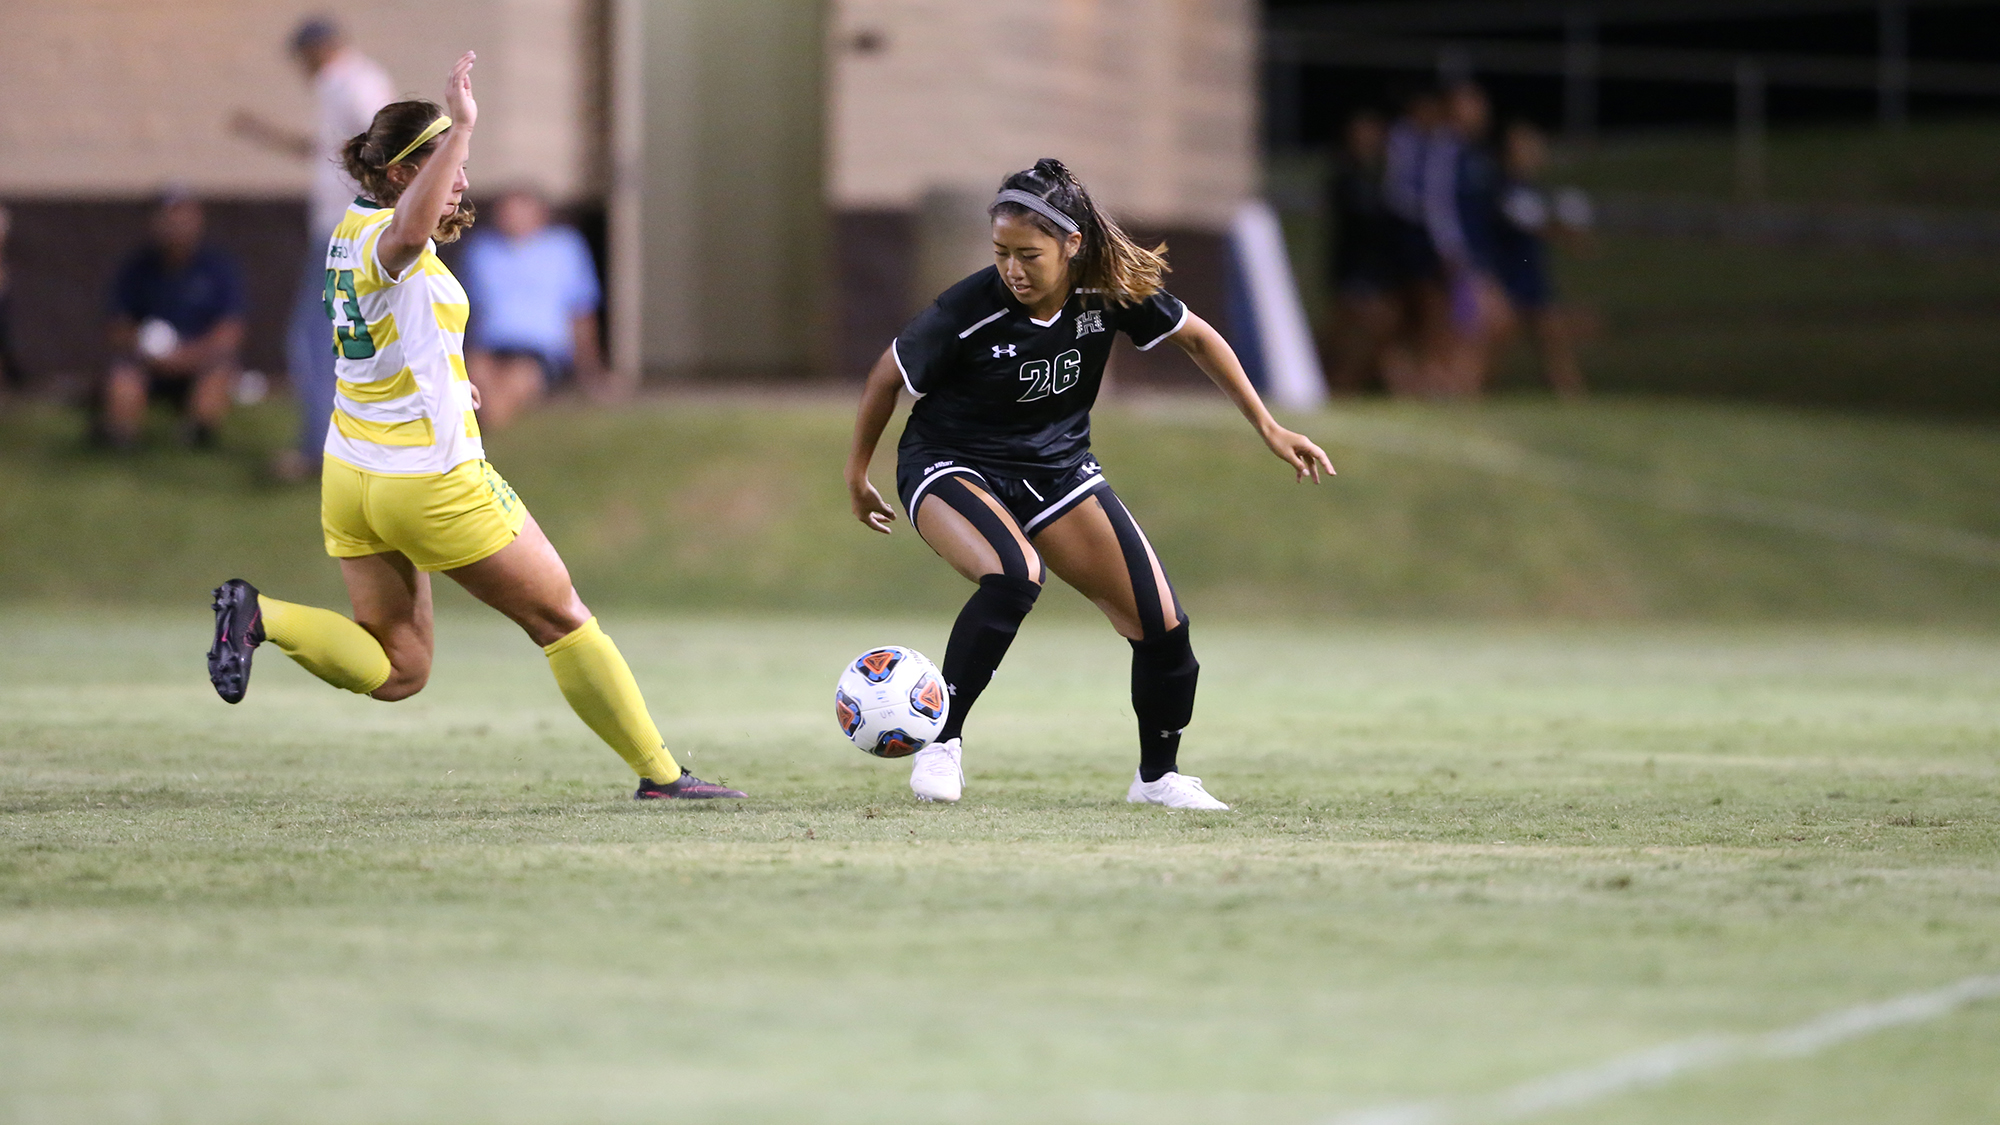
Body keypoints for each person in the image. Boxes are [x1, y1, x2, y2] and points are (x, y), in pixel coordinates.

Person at [206, 53, 744, 801]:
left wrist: (454, 384)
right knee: (563, 618)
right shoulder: (395, 237)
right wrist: (463, 124)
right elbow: (408, 238)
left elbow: (395, 332)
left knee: (398, 669)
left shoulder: (344, 232)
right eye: (444, 162)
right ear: (399, 174)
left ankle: (258, 613)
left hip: (351, 474)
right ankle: (661, 774)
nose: (461, 174)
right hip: (428, 479)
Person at [844, 158, 1335, 810]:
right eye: (1001, 253)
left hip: (1057, 468)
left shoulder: (1109, 293)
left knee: (1165, 629)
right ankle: (942, 743)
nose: (1013, 269)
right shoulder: (968, 309)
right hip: (948, 460)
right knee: (1015, 575)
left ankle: (1157, 779)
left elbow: (1198, 339)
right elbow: (886, 376)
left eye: (1029, 254)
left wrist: (1269, 426)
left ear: (1072, 244)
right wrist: (857, 472)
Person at [231, 16, 394, 482]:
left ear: (320, 48)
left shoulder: (353, 84)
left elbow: (386, 145)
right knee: (341, 340)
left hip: (348, 232)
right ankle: (353, 448)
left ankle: (322, 450)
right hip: (348, 229)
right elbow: (330, 151)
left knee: (313, 340)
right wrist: (264, 133)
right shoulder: (344, 86)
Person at [101, 192, 246, 448]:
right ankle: (120, 438)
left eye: (183, 217)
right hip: (147, 362)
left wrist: (186, 356)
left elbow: (230, 331)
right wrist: (148, 350)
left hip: (198, 361)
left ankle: (199, 435)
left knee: (219, 373)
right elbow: (117, 327)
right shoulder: (136, 268)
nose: (175, 225)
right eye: (167, 217)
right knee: (122, 377)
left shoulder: (217, 268)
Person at [460, 188, 605, 429]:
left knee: (516, 380)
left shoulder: (564, 248)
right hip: (490, 345)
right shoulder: (481, 250)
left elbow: (581, 311)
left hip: (542, 350)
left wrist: (590, 372)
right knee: (475, 374)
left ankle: (483, 434)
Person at [1490, 121, 1588, 398]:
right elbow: (1535, 226)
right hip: (1503, 281)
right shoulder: (1500, 186)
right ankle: (1467, 400)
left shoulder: (1532, 189)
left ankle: (1573, 404)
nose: (1536, 151)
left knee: (1554, 346)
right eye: (1527, 145)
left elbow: (1568, 240)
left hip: (1531, 280)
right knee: (1490, 353)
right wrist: (1566, 226)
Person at [1322, 109, 1397, 394]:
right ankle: (1336, 385)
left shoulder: (1378, 177)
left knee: (1366, 334)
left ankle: (1342, 385)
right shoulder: (1345, 175)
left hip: (1373, 271)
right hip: (1353, 269)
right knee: (1350, 335)